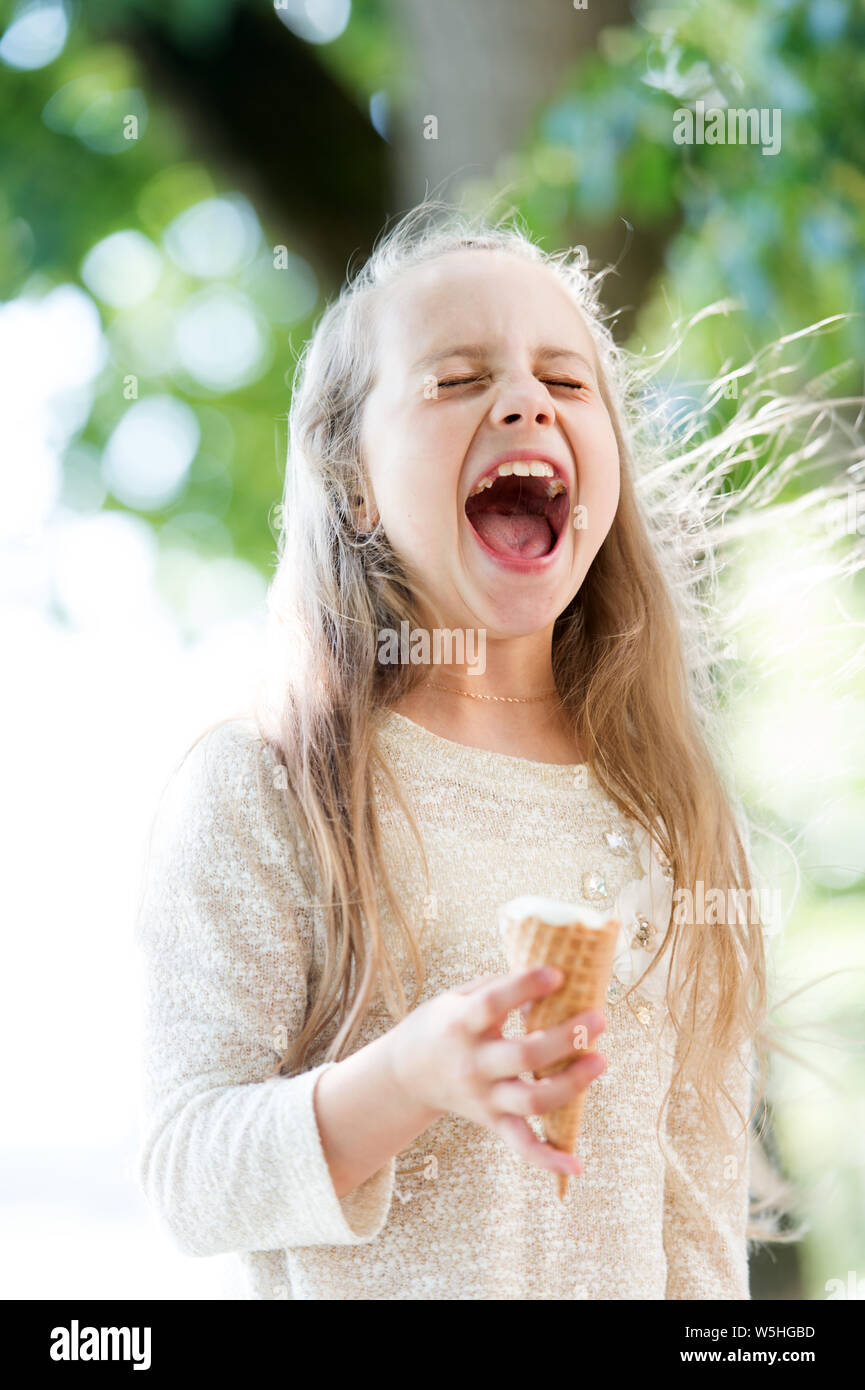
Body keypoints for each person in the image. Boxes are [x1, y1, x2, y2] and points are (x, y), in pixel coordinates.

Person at [135, 201, 780, 1300]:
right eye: (456, 378)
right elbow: (190, 1173)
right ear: (352, 479)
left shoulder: (671, 810)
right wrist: (410, 1075)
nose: (524, 399)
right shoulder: (277, 782)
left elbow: (697, 1235)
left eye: (566, 383)